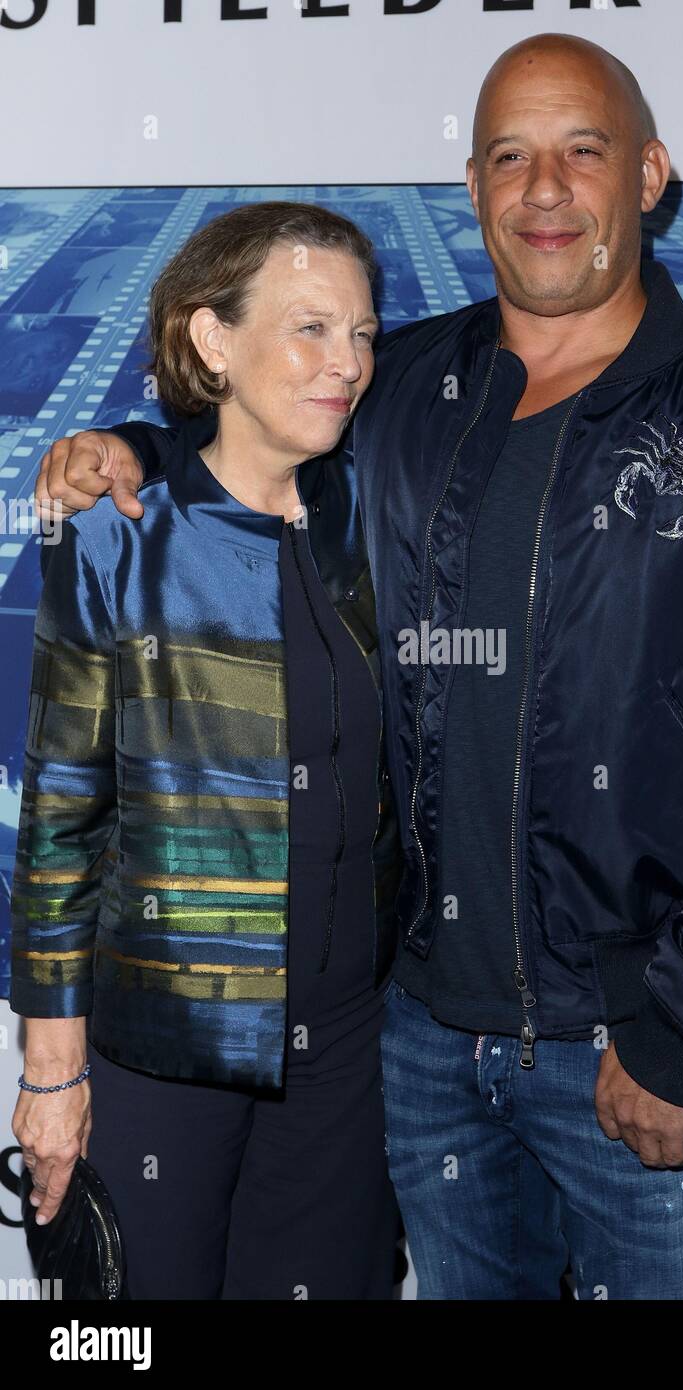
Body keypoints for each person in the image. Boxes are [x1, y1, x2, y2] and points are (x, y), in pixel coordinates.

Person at [35, 34, 683, 1301]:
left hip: (629, 1051)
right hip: (416, 1044)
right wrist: (125, 450)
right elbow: (253, 450)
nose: (543, 187)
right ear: (473, 181)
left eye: (582, 150)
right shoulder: (398, 391)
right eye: (510, 155)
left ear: (651, 174)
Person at [11, 201, 401, 1300]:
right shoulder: (118, 540)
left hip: (347, 1050)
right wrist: (53, 1073)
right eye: (311, 328)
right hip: (164, 1050)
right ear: (210, 340)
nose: (348, 363)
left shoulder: (373, 517)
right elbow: (58, 826)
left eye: (363, 333)